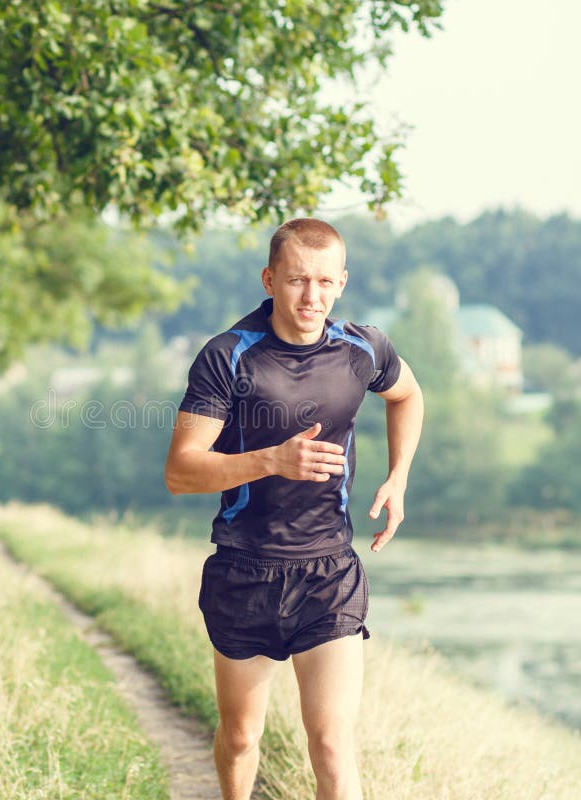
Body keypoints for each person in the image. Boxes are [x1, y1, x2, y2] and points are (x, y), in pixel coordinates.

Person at [164, 218, 424, 800]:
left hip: (328, 571)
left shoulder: (363, 348)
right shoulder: (226, 357)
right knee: (238, 737)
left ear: (342, 283)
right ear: (269, 279)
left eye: (326, 282)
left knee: (332, 744)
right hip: (244, 570)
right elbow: (181, 470)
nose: (313, 297)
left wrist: (399, 477)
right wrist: (271, 461)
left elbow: (408, 394)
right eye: (298, 280)